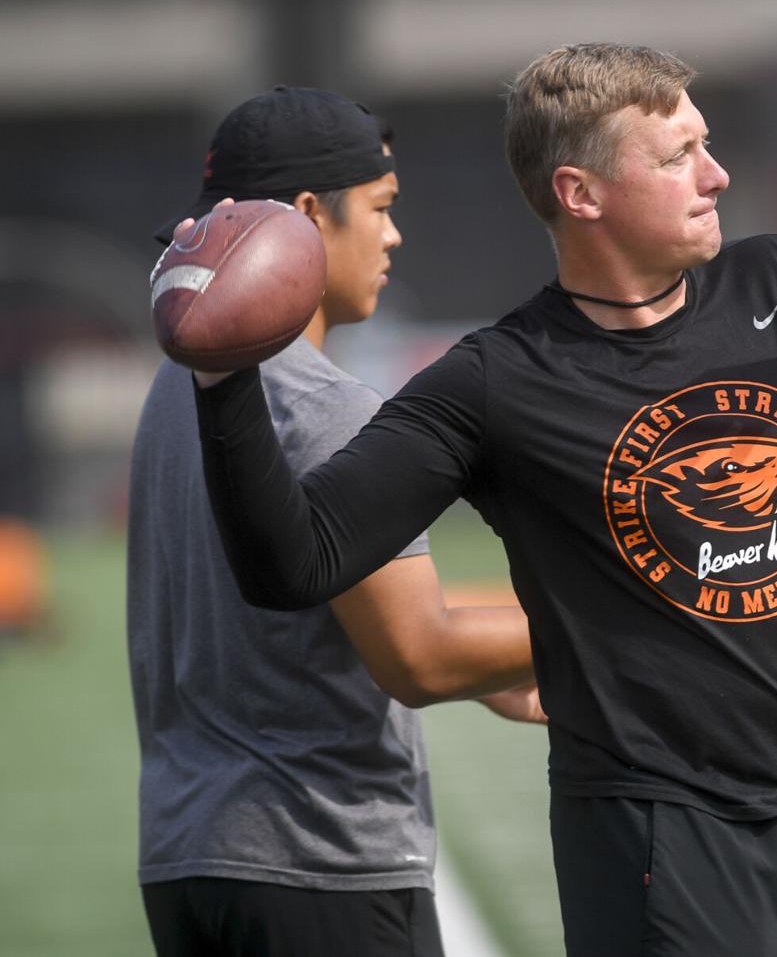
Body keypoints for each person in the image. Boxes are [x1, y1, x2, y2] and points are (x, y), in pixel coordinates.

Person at [186, 47, 777, 955]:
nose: (716, 175)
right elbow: (295, 563)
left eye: (705, 144)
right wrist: (225, 378)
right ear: (581, 193)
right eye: (678, 156)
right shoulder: (494, 382)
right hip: (662, 850)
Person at [128, 86, 540, 957]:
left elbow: (314, 611)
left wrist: (494, 651)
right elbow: (419, 656)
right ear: (310, 216)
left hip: (188, 864)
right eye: (382, 210)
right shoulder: (323, 404)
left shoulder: (180, 389)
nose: (393, 237)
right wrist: (630, 616)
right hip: (320, 866)